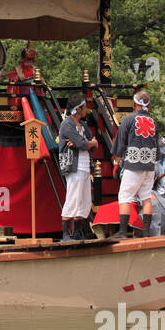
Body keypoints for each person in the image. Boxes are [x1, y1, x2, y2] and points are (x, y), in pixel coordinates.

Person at [111, 89, 159, 238]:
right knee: (146, 197)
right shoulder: (153, 122)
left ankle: (123, 232)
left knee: (125, 197)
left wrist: (117, 162)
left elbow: (120, 143)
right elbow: (157, 148)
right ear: (148, 104)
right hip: (150, 165)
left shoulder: (129, 119)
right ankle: (145, 233)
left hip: (133, 164)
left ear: (134, 104)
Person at [57, 94, 97, 242]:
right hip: (74, 165)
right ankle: (66, 233)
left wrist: (87, 143)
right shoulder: (67, 124)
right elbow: (84, 144)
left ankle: (78, 232)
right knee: (73, 197)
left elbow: (93, 144)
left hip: (85, 165)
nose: (87, 109)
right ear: (78, 108)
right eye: (84, 107)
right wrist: (87, 143)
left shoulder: (84, 125)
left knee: (84, 200)